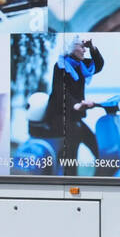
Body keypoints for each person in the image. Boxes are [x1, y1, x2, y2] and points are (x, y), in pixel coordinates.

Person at [46, 35, 105, 169]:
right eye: (82, 47)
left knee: (96, 145)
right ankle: (70, 177)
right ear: (71, 48)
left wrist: (92, 48)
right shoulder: (61, 66)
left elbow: (99, 65)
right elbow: (61, 91)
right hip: (60, 116)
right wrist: (76, 105)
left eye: (85, 48)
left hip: (74, 117)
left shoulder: (80, 65)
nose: (84, 50)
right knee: (72, 153)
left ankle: (103, 176)